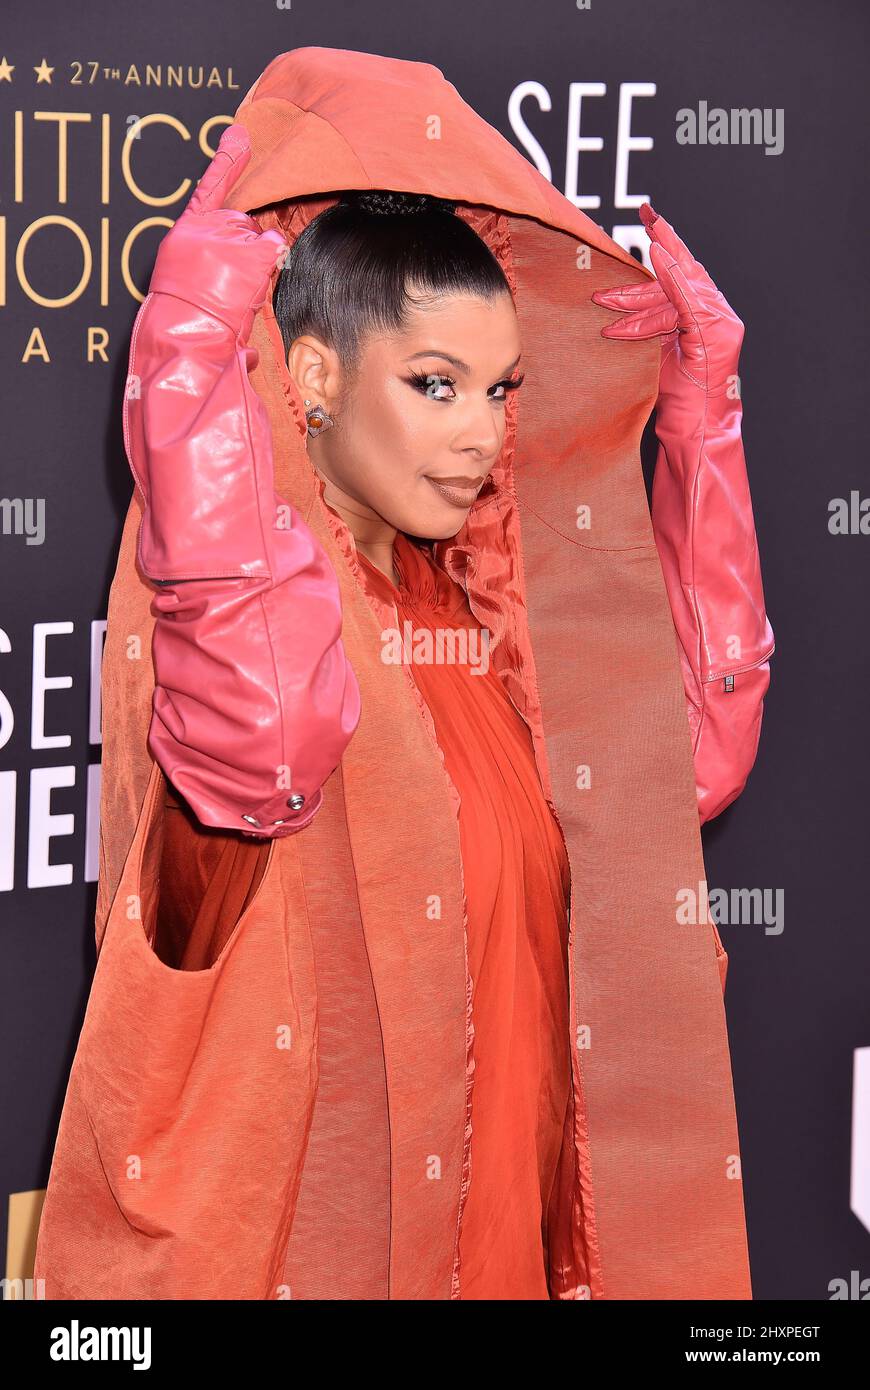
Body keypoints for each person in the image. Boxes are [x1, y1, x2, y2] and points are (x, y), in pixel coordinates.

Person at [34, 46, 774, 1301]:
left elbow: (689, 762)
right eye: (434, 385)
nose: (482, 432)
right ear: (312, 377)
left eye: (501, 388)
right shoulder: (271, 640)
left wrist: (703, 425)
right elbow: (264, 740)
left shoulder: (482, 628)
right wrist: (194, 407)